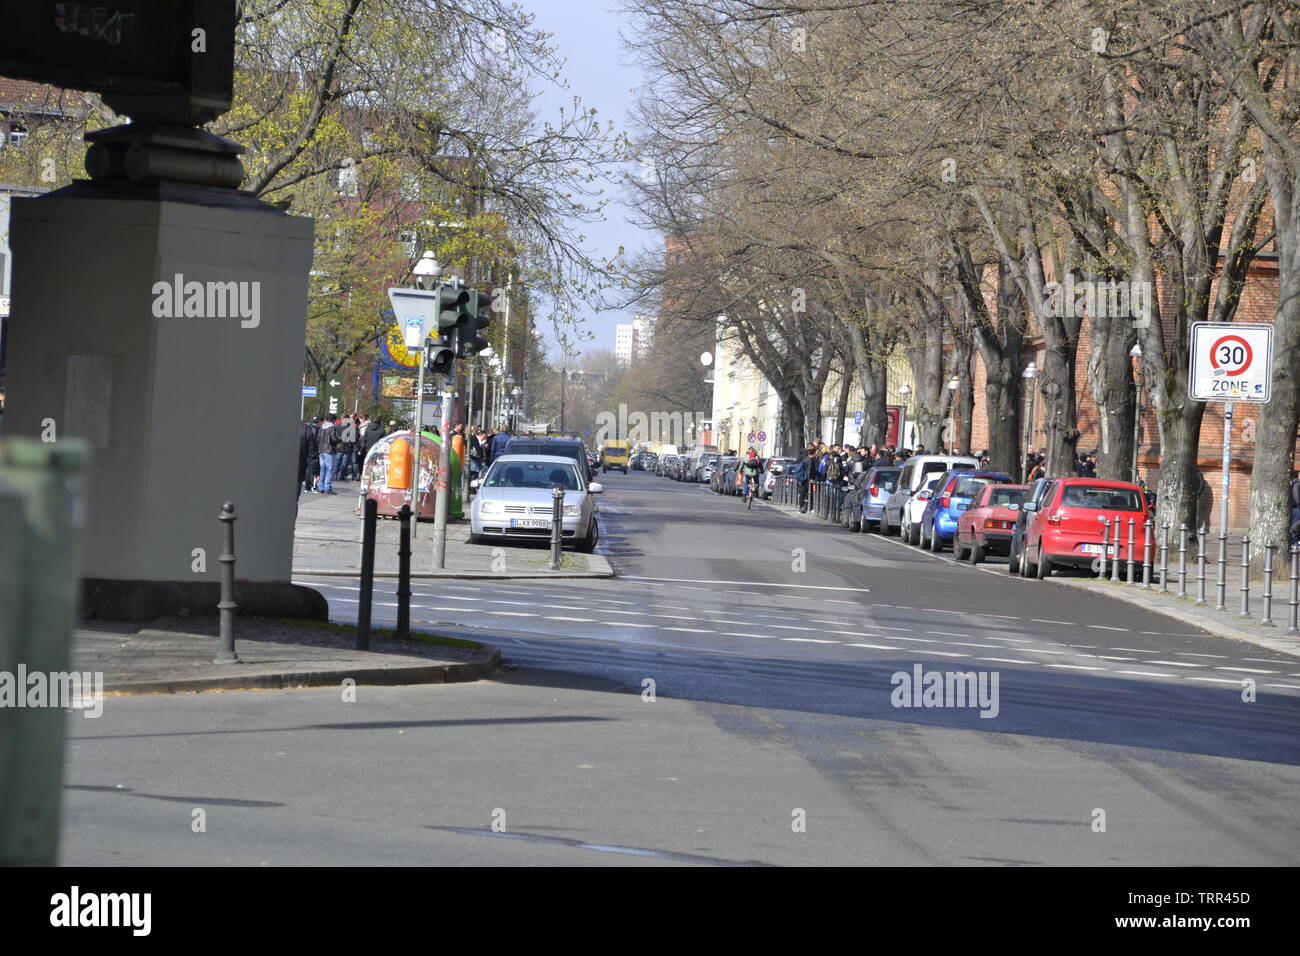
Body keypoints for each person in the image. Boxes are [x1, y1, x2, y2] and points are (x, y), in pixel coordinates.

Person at [318, 415, 340, 494]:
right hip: (329, 450)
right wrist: (339, 440)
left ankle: (321, 487)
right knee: (329, 469)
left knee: (322, 469)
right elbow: (334, 439)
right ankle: (328, 487)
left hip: (321, 450)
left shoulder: (322, 427)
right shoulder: (332, 427)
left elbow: (318, 438)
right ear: (334, 420)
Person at [298, 417, 318, 500]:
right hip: (298, 469)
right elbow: (312, 453)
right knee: (294, 500)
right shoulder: (306, 429)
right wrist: (316, 471)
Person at [338, 414, 357, 481]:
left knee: (339, 462)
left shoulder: (338, 427)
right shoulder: (351, 428)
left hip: (340, 447)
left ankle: (336, 475)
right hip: (346, 448)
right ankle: (340, 475)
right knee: (344, 462)